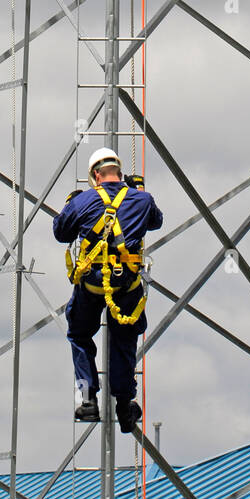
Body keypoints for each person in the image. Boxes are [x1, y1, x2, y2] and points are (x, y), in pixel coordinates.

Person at [53, 146, 163, 433]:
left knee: (79, 334)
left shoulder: (84, 201)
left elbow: (60, 232)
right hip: (126, 286)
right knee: (123, 341)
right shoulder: (141, 199)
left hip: (92, 285)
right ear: (119, 172)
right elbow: (156, 221)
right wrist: (138, 191)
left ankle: (88, 399)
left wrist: (70, 203)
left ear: (95, 175)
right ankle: (125, 405)